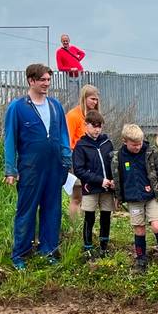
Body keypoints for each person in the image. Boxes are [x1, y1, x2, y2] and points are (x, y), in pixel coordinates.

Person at [3, 64, 71, 270]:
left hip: (54, 167)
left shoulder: (55, 106)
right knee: (27, 210)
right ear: (31, 81)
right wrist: (10, 170)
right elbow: (9, 140)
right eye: (42, 80)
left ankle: (48, 250)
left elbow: (63, 135)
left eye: (48, 80)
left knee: (53, 209)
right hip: (30, 168)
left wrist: (67, 161)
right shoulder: (18, 107)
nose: (46, 84)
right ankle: (20, 254)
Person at [115, 124, 158, 271]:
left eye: (140, 143)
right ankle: (141, 260)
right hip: (133, 198)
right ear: (124, 141)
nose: (138, 147)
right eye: (134, 145)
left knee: (157, 225)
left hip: (151, 195)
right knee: (139, 229)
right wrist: (118, 197)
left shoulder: (150, 152)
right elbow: (117, 178)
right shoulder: (118, 157)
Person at [71, 110, 115, 259]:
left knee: (106, 216)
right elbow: (79, 170)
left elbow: (113, 164)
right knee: (89, 216)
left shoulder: (107, 143)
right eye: (93, 126)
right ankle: (88, 247)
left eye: (99, 126)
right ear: (86, 125)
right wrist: (98, 180)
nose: (96, 129)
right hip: (90, 188)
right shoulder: (81, 146)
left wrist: (113, 179)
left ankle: (104, 247)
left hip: (107, 188)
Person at [65, 84, 101, 222]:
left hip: (92, 160)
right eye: (92, 99)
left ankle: (86, 225)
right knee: (77, 195)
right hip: (77, 159)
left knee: (90, 196)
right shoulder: (73, 115)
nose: (95, 102)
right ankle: (75, 225)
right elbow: (67, 140)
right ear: (84, 98)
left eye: (96, 100)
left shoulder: (94, 117)